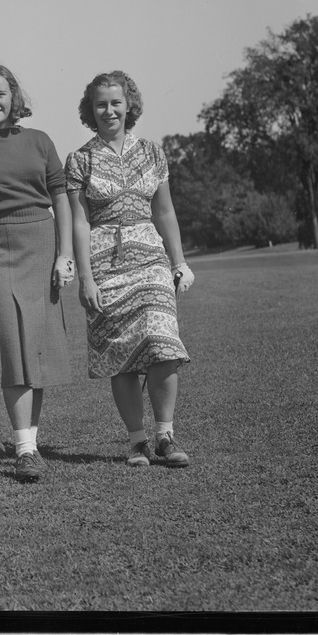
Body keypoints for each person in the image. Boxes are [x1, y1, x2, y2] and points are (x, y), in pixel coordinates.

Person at [64, 71, 195, 468]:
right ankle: (137, 442)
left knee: (162, 341)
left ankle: (165, 437)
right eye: (101, 104)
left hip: (150, 258)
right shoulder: (80, 159)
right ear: (90, 110)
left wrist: (179, 261)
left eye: (116, 103)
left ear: (129, 106)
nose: (109, 111)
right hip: (103, 264)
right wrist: (85, 277)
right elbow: (80, 223)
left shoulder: (153, 152)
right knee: (119, 353)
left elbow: (165, 211)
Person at [0, 63, 77, 483]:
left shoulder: (40, 140)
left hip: (42, 244)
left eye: (0, 94)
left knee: (38, 347)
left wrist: (64, 255)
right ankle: (25, 449)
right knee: (15, 346)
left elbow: (60, 198)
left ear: (14, 96)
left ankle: (28, 441)